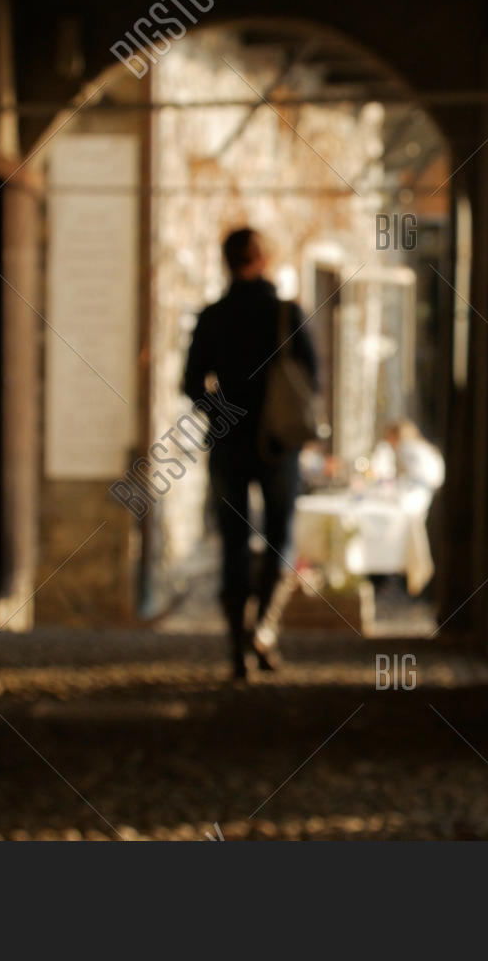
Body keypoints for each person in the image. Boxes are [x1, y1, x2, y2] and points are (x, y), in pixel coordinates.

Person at [183, 227, 319, 681]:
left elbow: (191, 382)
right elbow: (311, 379)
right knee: (280, 536)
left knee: (234, 543)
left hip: (229, 444)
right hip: (278, 443)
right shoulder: (285, 313)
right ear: (263, 259)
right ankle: (263, 628)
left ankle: (237, 645)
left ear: (226, 261)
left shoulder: (214, 316)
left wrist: (225, 413)